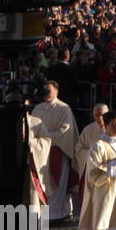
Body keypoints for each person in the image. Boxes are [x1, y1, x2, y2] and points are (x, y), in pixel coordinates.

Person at [32, 81, 79, 222]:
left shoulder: (64, 108)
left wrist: (46, 138)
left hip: (58, 149)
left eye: (50, 90)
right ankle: (45, 211)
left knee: (59, 181)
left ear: (57, 92)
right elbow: (32, 126)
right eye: (45, 90)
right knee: (43, 181)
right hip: (40, 152)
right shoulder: (37, 108)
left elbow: (65, 130)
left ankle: (59, 212)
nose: (47, 93)